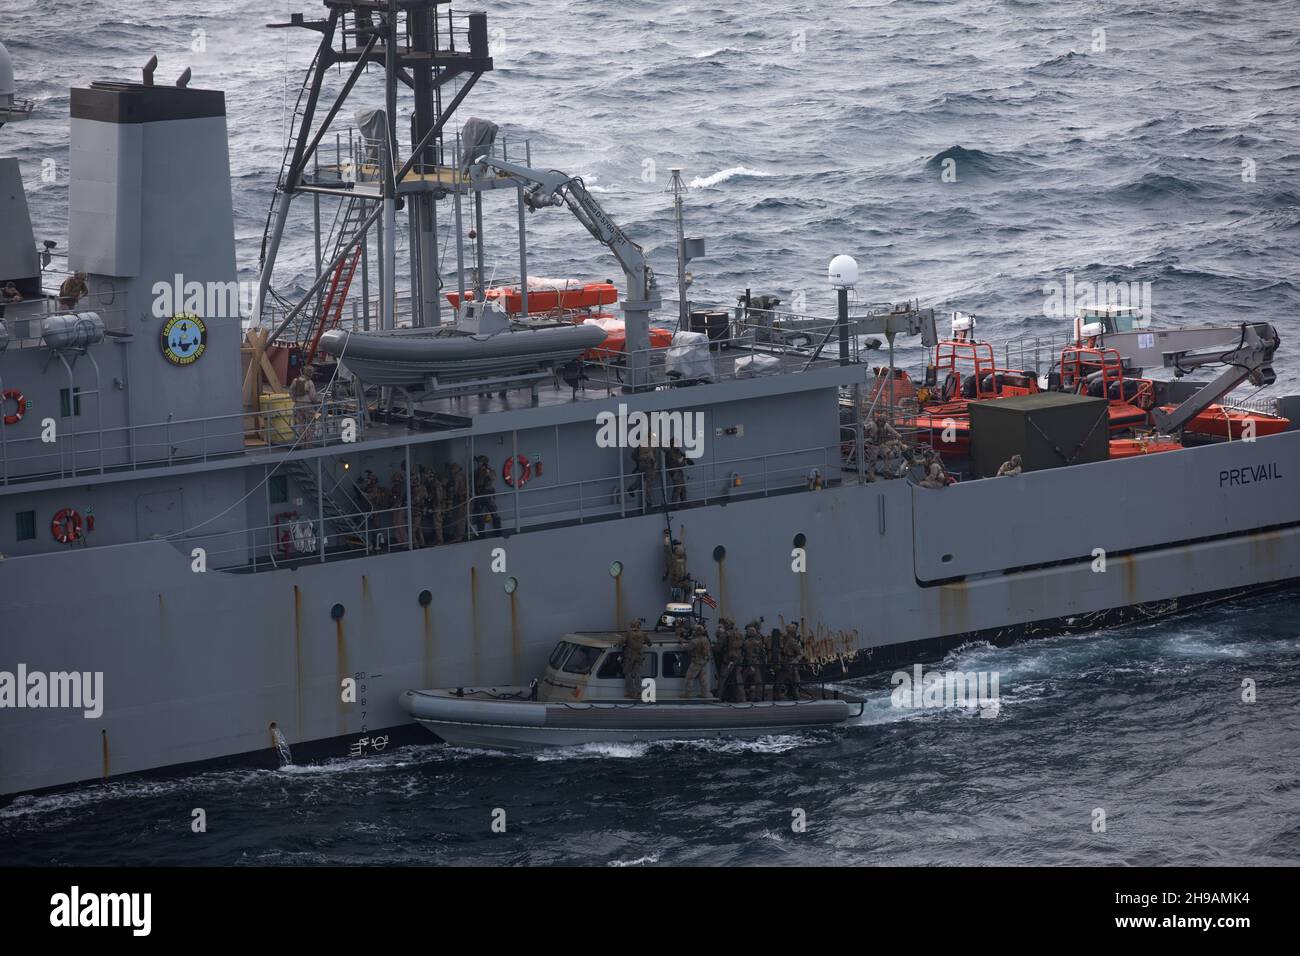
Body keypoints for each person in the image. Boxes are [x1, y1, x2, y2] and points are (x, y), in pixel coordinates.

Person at [618, 619, 652, 699]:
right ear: (639, 625)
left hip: (629, 656)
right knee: (637, 674)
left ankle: (630, 693)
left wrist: (620, 643)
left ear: (632, 625)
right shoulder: (643, 633)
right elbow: (649, 643)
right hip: (639, 656)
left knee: (628, 674)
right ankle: (639, 692)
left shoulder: (628, 633)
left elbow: (621, 643)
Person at [472, 455, 502, 535]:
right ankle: (481, 533)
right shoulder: (476, 472)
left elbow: (493, 477)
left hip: (488, 494)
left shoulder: (489, 471)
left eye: (480, 462)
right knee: (480, 515)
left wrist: (487, 471)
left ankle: (498, 531)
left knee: (494, 513)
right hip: (480, 495)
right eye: (478, 462)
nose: (478, 463)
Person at [774, 623, 803, 701]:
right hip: (784, 662)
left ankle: (796, 696)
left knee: (795, 681)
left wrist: (795, 661)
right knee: (780, 680)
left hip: (791, 663)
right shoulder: (784, 639)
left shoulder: (792, 641)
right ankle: (778, 696)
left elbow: (800, 654)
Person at [720, 621, 747, 702]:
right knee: (738, 678)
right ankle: (742, 697)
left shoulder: (725, 634)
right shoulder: (740, 634)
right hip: (738, 658)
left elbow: (719, 646)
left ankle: (719, 697)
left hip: (728, 659)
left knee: (723, 678)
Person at [683, 623, 712, 698]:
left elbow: (687, 648)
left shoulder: (695, 641)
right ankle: (704, 694)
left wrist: (682, 645)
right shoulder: (706, 639)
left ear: (697, 632)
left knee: (689, 677)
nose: (693, 632)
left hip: (696, 662)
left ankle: (687, 694)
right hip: (703, 661)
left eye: (694, 630)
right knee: (703, 679)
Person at [742, 623, 767, 702]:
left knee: (741, 681)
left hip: (747, 664)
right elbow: (763, 653)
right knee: (758, 682)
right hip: (756, 663)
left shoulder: (745, 642)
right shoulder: (759, 642)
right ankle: (758, 697)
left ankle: (742, 697)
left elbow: (743, 653)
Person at [288, 373, 317, 440]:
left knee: (301, 424)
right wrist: (315, 402)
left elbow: (290, 391)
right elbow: (313, 396)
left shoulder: (295, 380)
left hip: (298, 405)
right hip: (308, 405)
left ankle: (302, 439)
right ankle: (309, 440)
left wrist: (294, 399)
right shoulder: (310, 382)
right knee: (311, 423)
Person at [630, 443, 658, 509]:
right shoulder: (646, 445)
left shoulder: (640, 445)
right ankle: (649, 503)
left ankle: (631, 488)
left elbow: (634, 455)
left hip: (643, 465)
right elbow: (650, 456)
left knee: (640, 479)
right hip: (648, 465)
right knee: (649, 484)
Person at [446, 462, 468, 543]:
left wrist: (450, 496)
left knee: (459, 519)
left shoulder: (456, 477)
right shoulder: (463, 475)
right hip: (465, 499)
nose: (451, 471)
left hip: (460, 500)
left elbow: (455, 490)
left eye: (452, 469)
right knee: (463, 519)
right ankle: (462, 534)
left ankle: (459, 537)